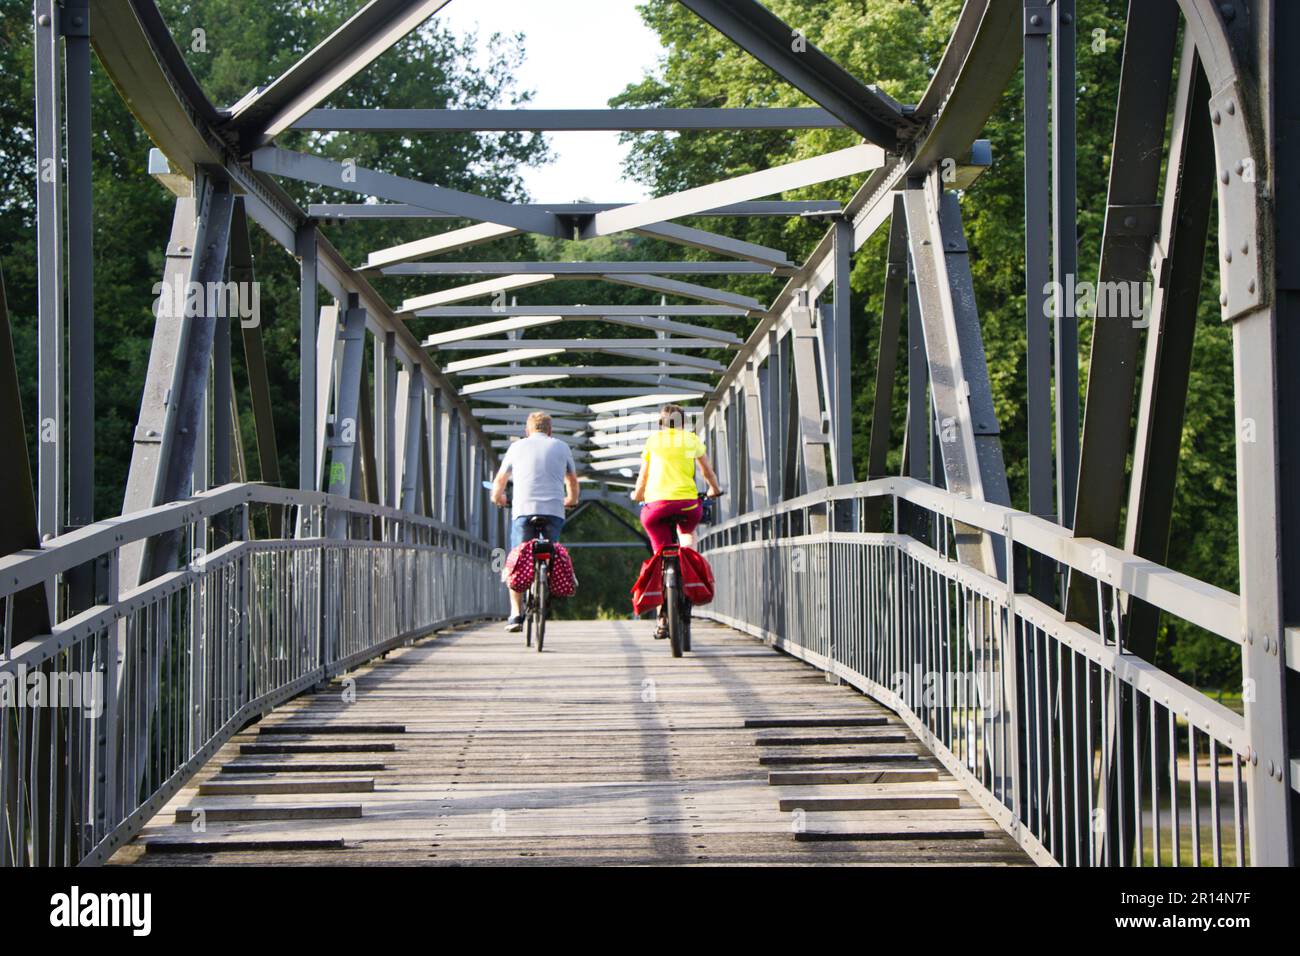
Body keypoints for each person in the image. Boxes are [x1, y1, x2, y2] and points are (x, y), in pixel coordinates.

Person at [630, 404, 722, 639]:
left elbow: (644, 476)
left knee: (660, 554)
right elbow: (707, 472)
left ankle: (663, 615)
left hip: (657, 506)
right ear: (683, 423)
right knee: (688, 533)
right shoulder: (691, 439)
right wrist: (714, 489)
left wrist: (637, 494)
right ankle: (688, 562)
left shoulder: (653, 442)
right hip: (687, 504)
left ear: (661, 424)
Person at [491, 411, 580, 632]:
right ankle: (552, 577)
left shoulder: (516, 447)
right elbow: (572, 480)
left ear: (527, 430)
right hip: (553, 510)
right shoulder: (561, 446)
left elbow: (501, 479)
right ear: (550, 431)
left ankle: (515, 614)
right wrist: (571, 500)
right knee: (552, 550)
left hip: (523, 510)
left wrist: (497, 498)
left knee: (516, 559)